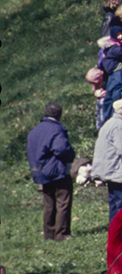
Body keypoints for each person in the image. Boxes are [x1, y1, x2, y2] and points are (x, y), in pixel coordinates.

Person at [26, 102, 76, 242]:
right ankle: (61, 234)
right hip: (56, 170)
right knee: (63, 201)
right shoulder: (56, 130)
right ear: (60, 115)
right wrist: (71, 156)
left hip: (39, 170)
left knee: (49, 204)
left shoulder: (34, 131)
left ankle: (49, 234)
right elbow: (61, 149)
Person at [91, 99, 122, 223]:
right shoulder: (121, 126)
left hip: (111, 171)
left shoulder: (109, 123)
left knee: (114, 205)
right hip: (120, 172)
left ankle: (113, 234)